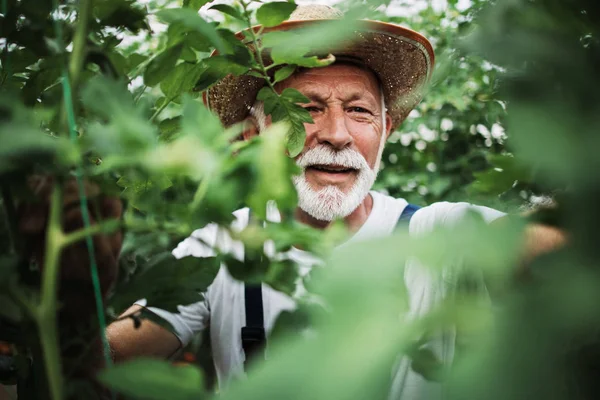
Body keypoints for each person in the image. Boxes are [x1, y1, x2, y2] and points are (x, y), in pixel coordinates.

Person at [17, 4, 565, 399]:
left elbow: (552, 246)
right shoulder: (223, 244)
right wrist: (74, 297)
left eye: (359, 111)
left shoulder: (438, 233)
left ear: (385, 132)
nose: (335, 134)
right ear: (253, 137)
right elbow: (94, 371)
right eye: (303, 109)